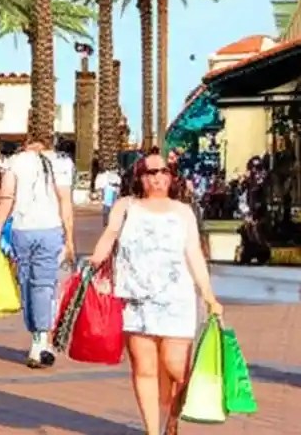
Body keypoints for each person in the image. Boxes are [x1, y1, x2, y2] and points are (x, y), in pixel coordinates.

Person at [89, 152, 222, 435]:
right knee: (145, 369)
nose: (159, 177)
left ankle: (171, 419)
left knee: (177, 369)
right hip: (136, 301)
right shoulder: (126, 207)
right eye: (151, 172)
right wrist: (90, 268)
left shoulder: (182, 211)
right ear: (139, 177)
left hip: (177, 300)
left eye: (164, 171)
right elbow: (109, 236)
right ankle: (153, 431)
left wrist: (208, 293)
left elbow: (194, 254)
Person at [0, 137, 74, 368]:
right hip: (50, 230)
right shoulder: (61, 162)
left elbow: (6, 198)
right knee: (44, 285)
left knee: (26, 283)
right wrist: (70, 239)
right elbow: (65, 201)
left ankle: (38, 339)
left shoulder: (15, 162)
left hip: (23, 230)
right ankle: (41, 339)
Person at [95, 162, 123, 227]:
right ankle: (106, 221)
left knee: (112, 207)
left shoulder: (116, 175)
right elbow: (101, 185)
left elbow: (119, 183)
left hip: (113, 191)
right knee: (107, 207)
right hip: (109, 190)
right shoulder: (106, 175)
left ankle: (110, 221)